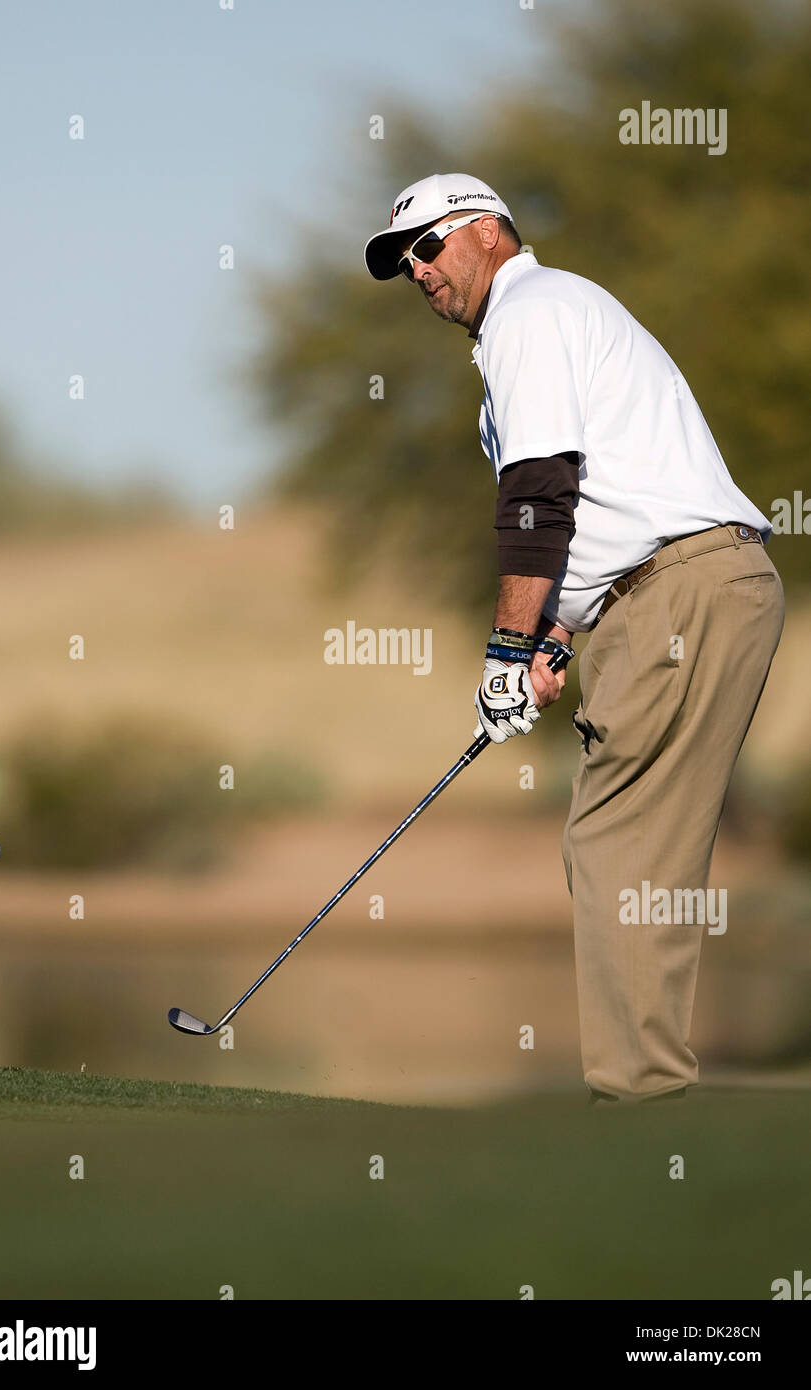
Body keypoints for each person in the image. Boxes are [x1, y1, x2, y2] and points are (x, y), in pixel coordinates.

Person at [363, 173, 784, 1105]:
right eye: (402, 264)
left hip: (680, 593)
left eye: (427, 247)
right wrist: (553, 631)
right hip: (685, 591)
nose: (418, 273)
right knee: (637, 848)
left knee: (618, 846)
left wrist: (508, 652)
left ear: (485, 232)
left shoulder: (532, 311)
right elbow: (592, 511)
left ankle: (638, 1106)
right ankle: (646, 1097)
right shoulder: (543, 324)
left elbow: (540, 493)